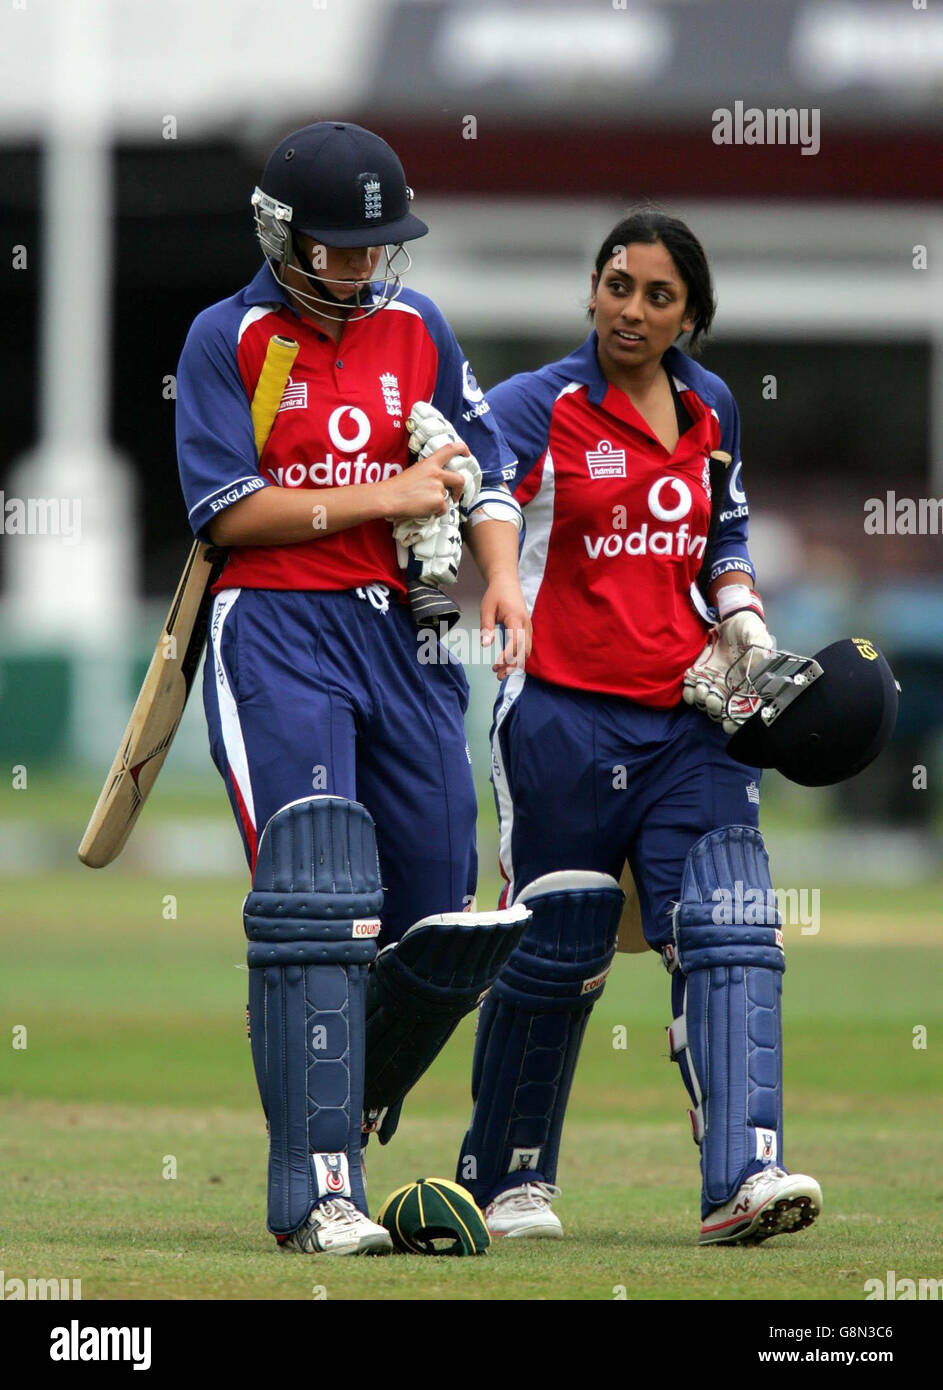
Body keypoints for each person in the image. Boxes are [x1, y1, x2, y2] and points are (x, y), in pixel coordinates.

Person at [175, 121, 530, 1256]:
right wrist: (387, 493)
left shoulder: (417, 328)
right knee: (322, 890)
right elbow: (230, 511)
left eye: (377, 245)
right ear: (282, 236)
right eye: (340, 247)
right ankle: (318, 1184)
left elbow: (475, 465)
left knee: (442, 909)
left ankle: (342, 1086)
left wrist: (501, 576)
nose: (363, 266)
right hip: (276, 625)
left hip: (407, 634)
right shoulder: (231, 337)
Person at [456, 209, 824, 1246]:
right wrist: (497, 580)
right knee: (555, 943)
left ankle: (742, 1177)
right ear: (591, 289)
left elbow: (725, 533)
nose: (631, 307)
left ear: (689, 317)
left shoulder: (710, 406)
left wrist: (742, 616)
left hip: (689, 719)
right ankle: (508, 1178)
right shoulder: (540, 402)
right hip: (559, 716)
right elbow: (491, 497)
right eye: (617, 284)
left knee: (730, 924)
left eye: (657, 296)